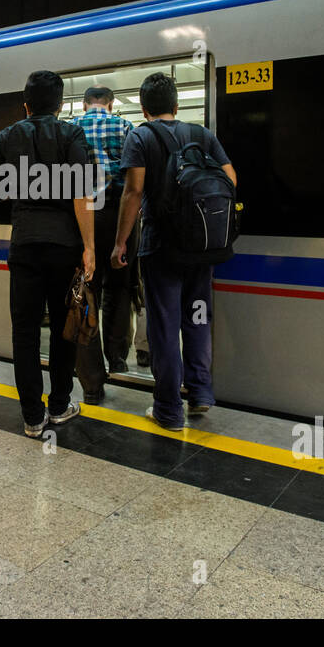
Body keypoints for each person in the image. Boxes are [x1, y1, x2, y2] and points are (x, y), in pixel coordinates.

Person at [112, 72, 236, 431]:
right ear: (177, 104)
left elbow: (133, 193)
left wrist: (121, 243)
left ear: (144, 105)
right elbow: (231, 180)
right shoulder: (202, 135)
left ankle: (168, 409)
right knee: (197, 319)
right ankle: (200, 393)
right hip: (203, 248)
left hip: (162, 247)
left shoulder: (140, 136)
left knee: (164, 326)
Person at [0, 69, 95, 437]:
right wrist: (90, 248)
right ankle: (60, 405)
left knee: (25, 331)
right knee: (64, 332)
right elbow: (83, 194)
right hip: (65, 247)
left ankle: (33, 417)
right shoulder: (71, 133)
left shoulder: (7, 136)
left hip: (25, 246)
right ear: (61, 103)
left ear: (25, 104)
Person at [70, 86, 136, 403]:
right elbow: (135, 177)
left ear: (84, 104)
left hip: (85, 211)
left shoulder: (72, 127)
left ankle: (92, 383)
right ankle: (119, 358)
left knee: (88, 290)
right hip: (119, 210)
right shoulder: (125, 126)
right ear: (110, 103)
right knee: (120, 287)